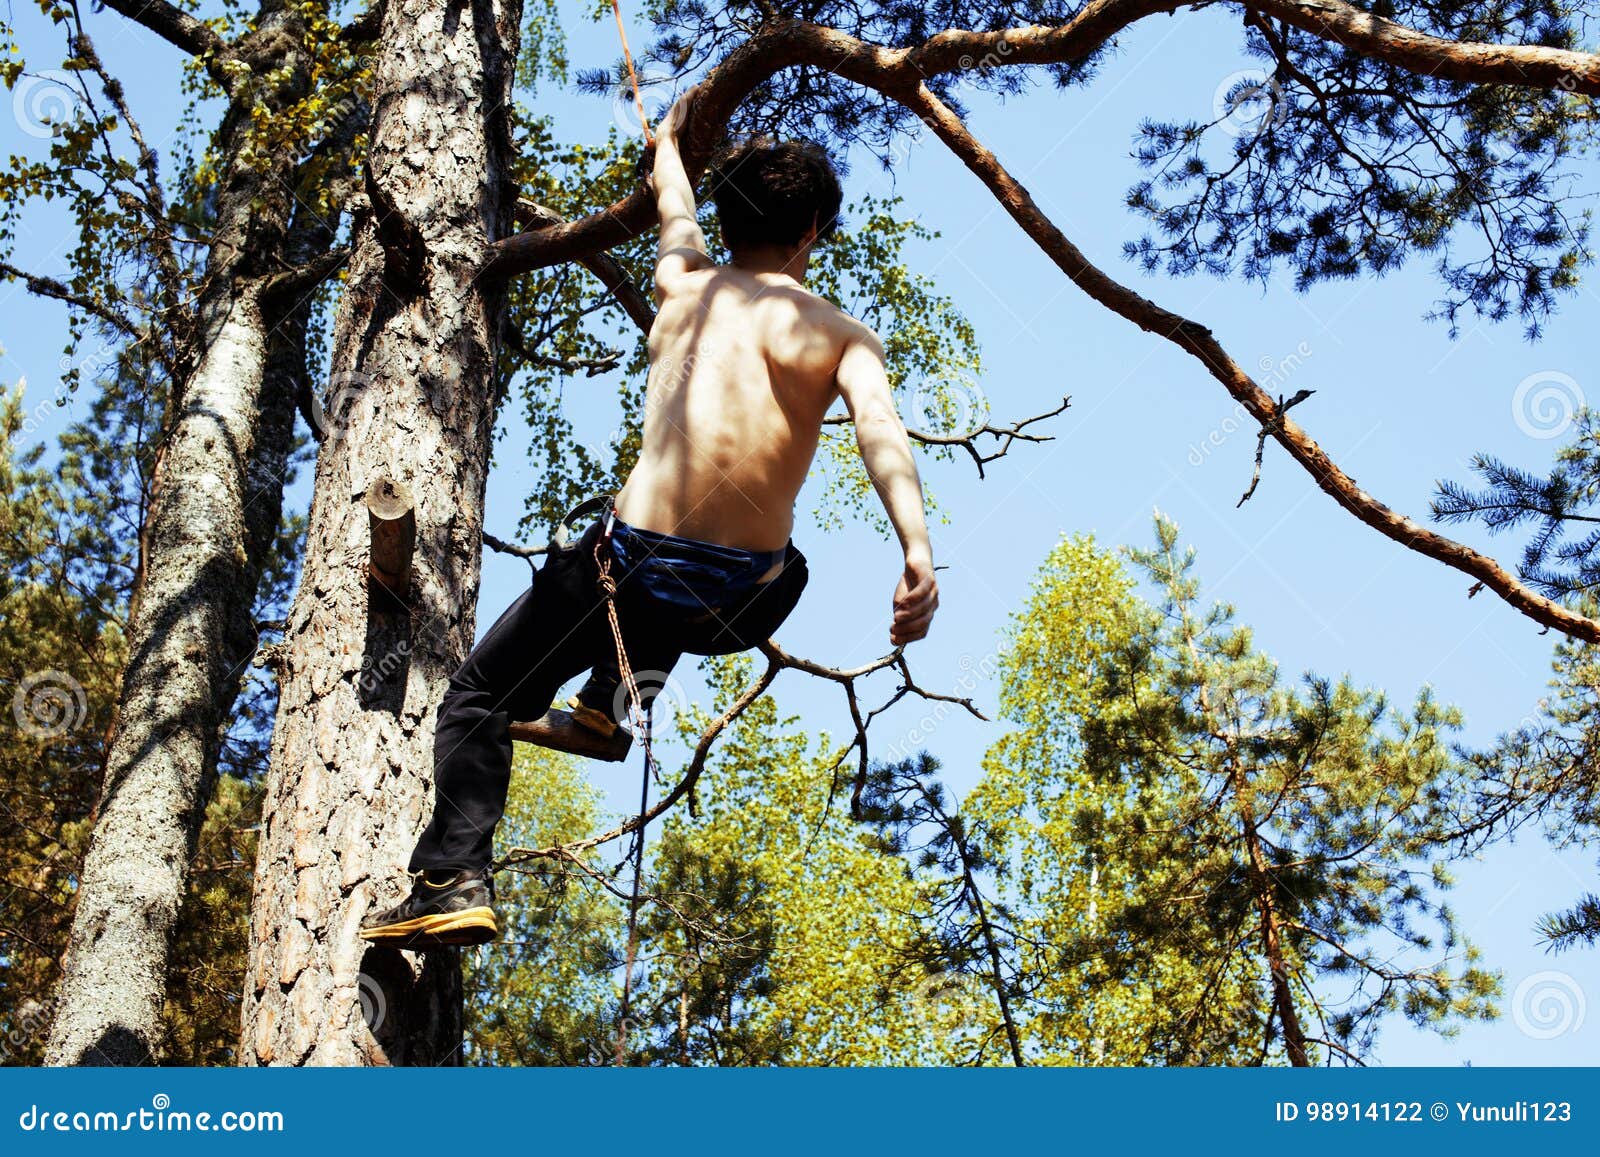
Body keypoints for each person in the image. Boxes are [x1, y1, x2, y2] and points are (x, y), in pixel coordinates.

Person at [359, 87, 939, 949]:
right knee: (778, 568)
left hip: (625, 572)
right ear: (813, 229)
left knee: (479, 695)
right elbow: (880, 431)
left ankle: (451, 876)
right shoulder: (842, 335)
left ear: (727, 216)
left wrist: (668, 137)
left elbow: (672, 192)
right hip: (737, 596)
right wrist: (917, 550)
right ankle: (606, 703)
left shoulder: (683, 282)